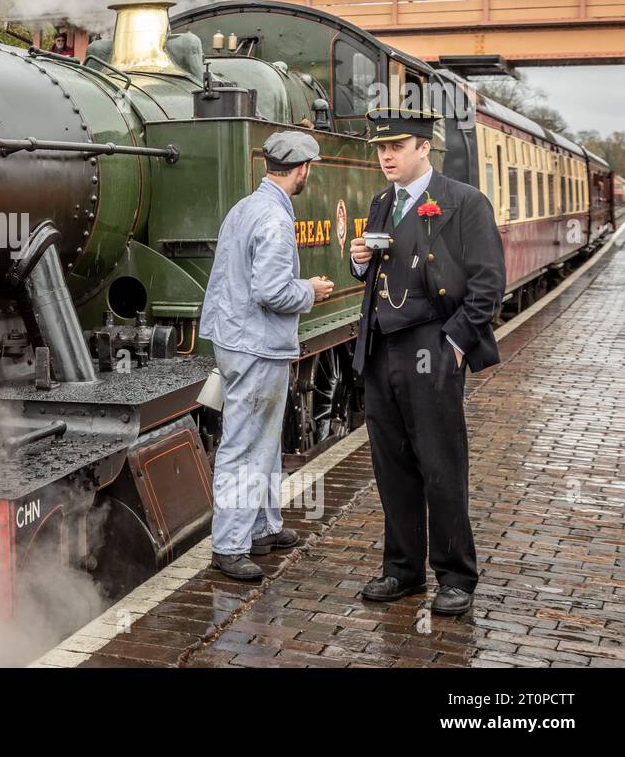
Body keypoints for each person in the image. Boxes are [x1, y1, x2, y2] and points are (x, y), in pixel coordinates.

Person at [349, 108, 505, 615]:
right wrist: (357, 263)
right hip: (380, 349)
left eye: (396, 147)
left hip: (431, 345)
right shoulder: (380, 203)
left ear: (424, 147)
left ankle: (455, 574)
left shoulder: (464, 203)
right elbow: (373, 275)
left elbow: (487, 286)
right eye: (380, 148)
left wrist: (455, 344)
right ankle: (403, 570)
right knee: (391, 465)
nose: (386, 156)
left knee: (441, 464)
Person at [200, 130, 334, 580]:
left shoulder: (246, 207)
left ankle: (263, 527)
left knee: (262, 441)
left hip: (234, 338)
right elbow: (273, 291)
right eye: (307, 170)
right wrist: (310, 290)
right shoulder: (275, 220)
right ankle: (231, 544)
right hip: (256, 344)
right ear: (301, 170)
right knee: (243, 445)